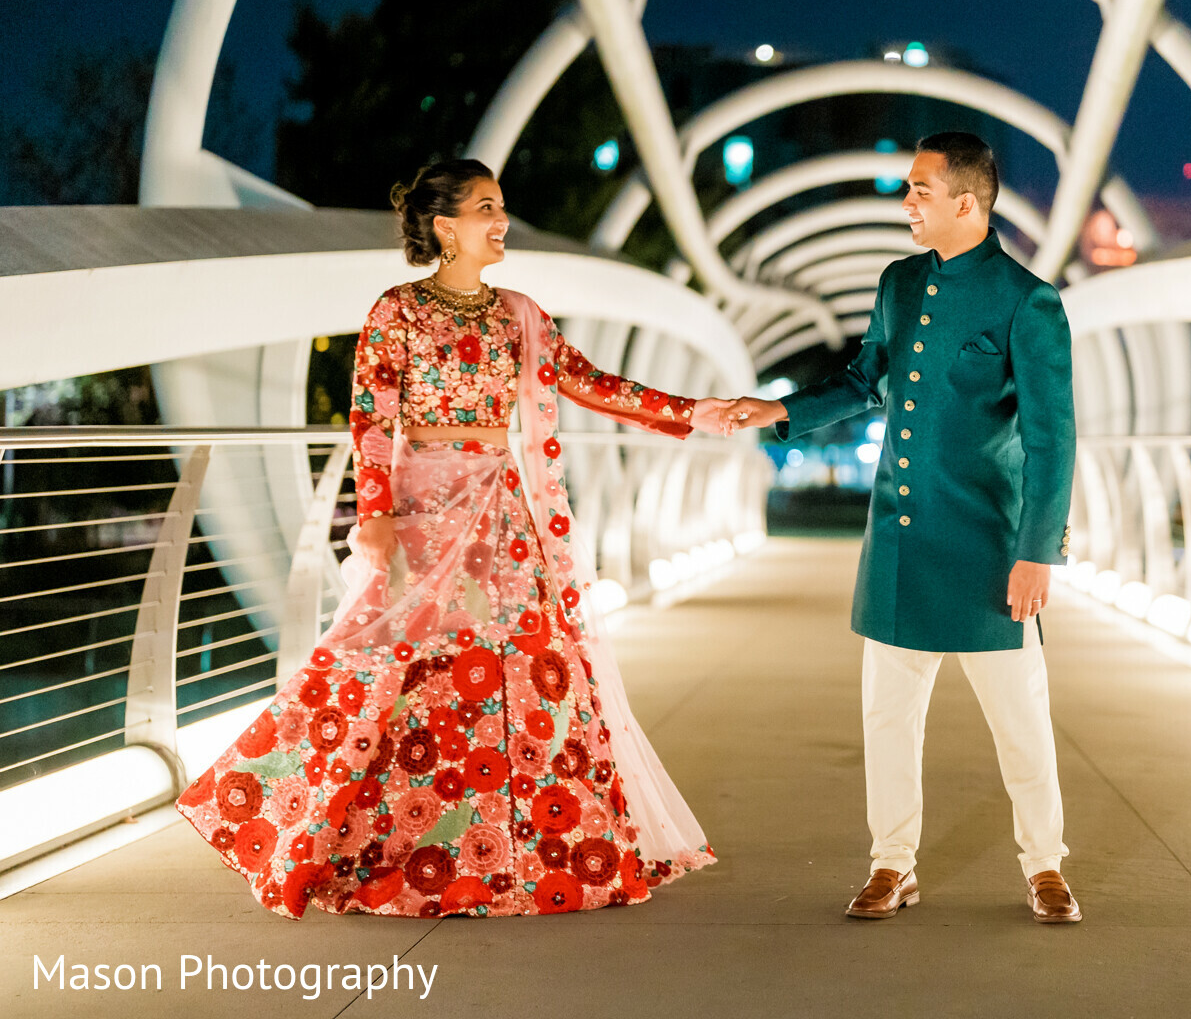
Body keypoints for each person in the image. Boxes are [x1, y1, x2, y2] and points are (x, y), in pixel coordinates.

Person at [177, 159, 732, 919]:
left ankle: (525, 858)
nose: (501, 222)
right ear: (444, 226)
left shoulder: (519, 314)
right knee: (395, 667)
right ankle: (368, 836)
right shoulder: (396, 312)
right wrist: (372, 514)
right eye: (485, 210)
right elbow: (370, 418)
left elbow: (596, 383)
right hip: (421, 508)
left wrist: (700, 411)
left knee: (532, 669)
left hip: (503, 508)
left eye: (501, 207)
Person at [726, 132, 1082, 924]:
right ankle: (893, 864)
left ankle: (1045, 865)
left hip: (990, 547)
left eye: (920, 189)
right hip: (899, 541)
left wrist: (1037, 553)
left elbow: (1054, 441)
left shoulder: (1028, 301)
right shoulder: (898, 283)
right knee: (888, 719)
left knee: (1020, 718)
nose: (906, 202)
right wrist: (781, 410)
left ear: (967, 202)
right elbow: (865, 381)